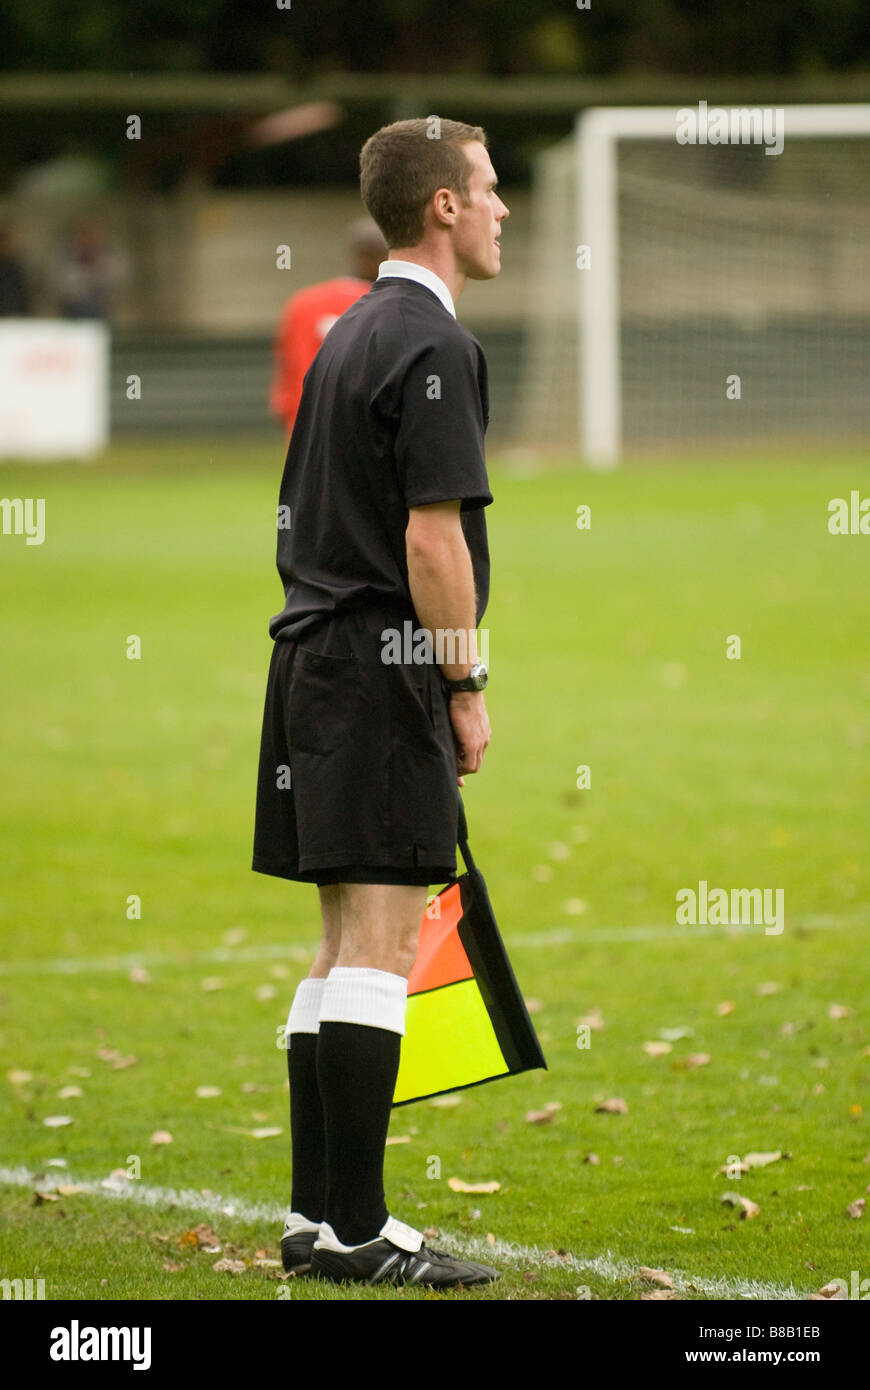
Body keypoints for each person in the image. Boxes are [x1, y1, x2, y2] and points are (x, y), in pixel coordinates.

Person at [252, 116, 509, 1288]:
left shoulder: (352, 328)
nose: (505, 209)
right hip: (380, 660)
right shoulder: (431, 342)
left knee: (339, 944)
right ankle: (359, 1229)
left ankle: (316, 1217)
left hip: (310, 657)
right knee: (382, 942)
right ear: (444, 208)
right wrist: (462, 681)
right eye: (491, 189)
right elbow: (431, 537)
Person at [269, 217, 387, 438]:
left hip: (304, 428)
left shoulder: (302, 303)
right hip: (361, 431)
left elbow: (285, 374)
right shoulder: (388, 306)